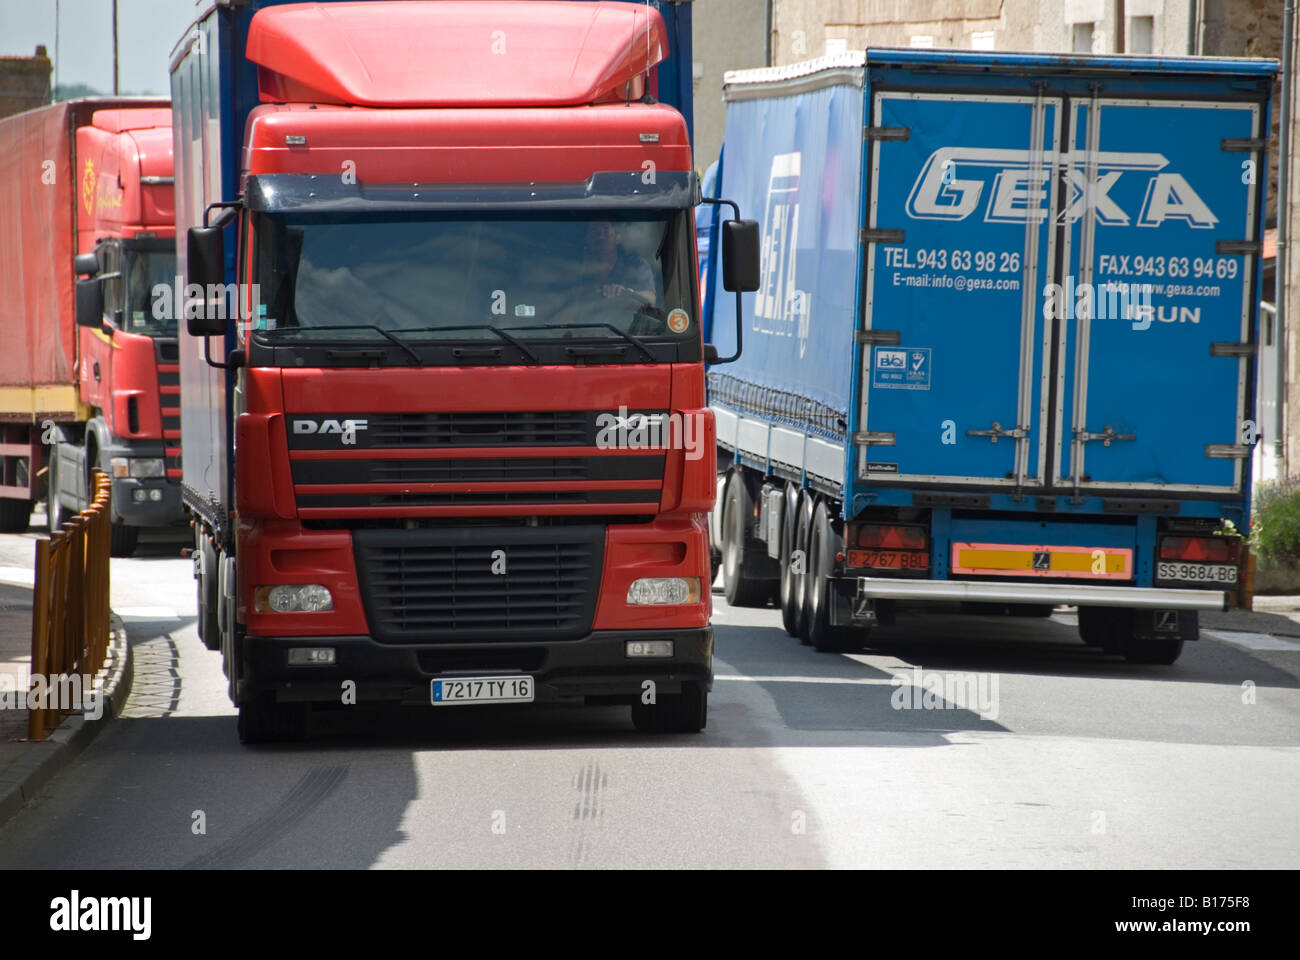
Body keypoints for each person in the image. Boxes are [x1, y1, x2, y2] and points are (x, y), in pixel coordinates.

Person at [580, 220, 657, 304]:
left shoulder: (636, 265)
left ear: (617, 238)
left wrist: (627, 293)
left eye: (606, 231)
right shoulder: (579, 271)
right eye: (595, 231)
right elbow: (573, 302)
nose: (601, 236)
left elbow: (651, 299)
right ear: (587, 239)